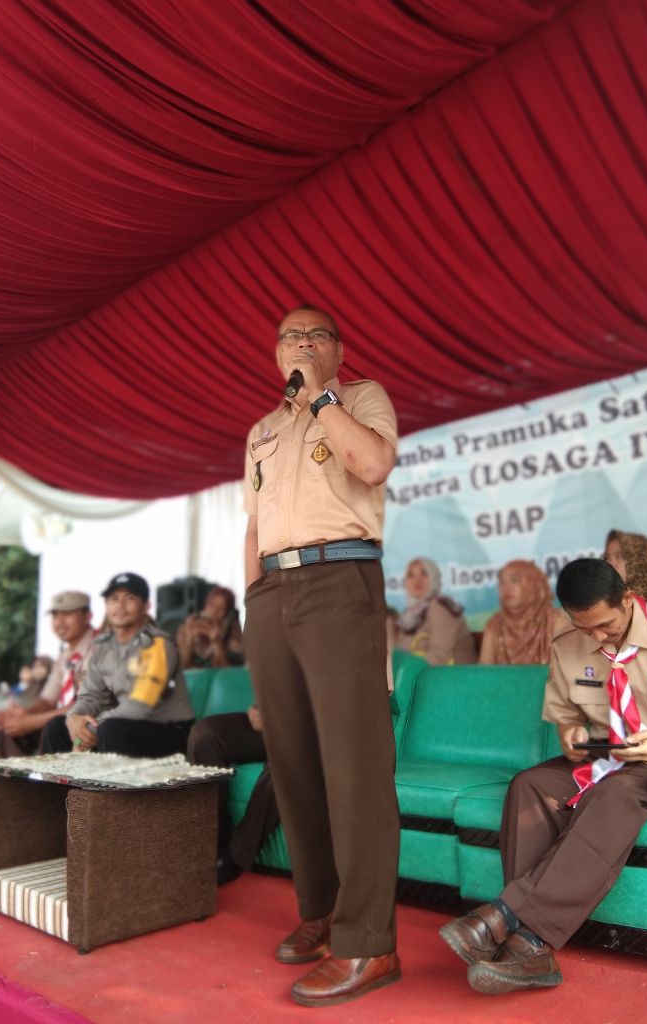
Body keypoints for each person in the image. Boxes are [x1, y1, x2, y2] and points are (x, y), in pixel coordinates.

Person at [439, 558, 647, 994]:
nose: (597, 637)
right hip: (606, 755)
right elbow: (566, 715)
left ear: (626, 599)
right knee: (528, 785)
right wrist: (569, 732)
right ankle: (529, 950)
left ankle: (513, 922)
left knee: (614, 795)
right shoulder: (568, 642)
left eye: (605, 625)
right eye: (585, 627)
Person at [242, 304, 401, 1007]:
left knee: (354, 764)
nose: (300, 345)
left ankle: (369, 944)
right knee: (294, 759)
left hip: (341, 578)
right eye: (290, 339)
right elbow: (252, 522)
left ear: (338, 348)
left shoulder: (361, 398)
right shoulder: (262, 431)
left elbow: (372, 462)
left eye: (315, 337)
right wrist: (252, 598)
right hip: (273, 593)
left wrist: (321, 397)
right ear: (275, 354)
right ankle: (322, 911)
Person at [40, 573, 194, 757]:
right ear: (106, 606)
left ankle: (109, 786)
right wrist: (74, 718)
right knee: (56, 727)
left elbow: (138, 707)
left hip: (168, 733)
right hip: (121, 727)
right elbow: (90, 696)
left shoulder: (157, 645)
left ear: (146, 606)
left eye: (130, 598)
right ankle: (58, 785)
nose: (120, 605)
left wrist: (89, 729)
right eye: (114, 599)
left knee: (109, 729)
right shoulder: (103, 647)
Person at [187, 704, 279, 885]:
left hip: (316, 727)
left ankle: (236, 855)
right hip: (277, 718)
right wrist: (259, 709)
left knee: (289, 755)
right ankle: (213, 839)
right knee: (205, 735)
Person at [0, 591, 95, 757]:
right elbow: (47, 700)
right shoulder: (64, 656)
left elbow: (85, 705)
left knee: (53, 726)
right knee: (10, 730)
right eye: (55, 615)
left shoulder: (101, 648)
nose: (59, 622)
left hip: (91, 726)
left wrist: (30, 721)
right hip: (65, 722)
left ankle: (48, 783)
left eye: (67, 614)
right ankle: (19, 782)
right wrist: (24, 714)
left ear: (87, 616)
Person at [479, 560, 566, 665]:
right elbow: (484, 671)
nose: (506, 588)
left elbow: (569, 672)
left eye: (514, 580)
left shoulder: (555, 621)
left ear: (533, 584)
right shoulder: (495, 624)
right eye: (502, 583)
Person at [394, 557, 476, 664]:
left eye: (424, 573)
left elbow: (439, 657)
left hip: (455, 677)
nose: (417, 580)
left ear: (434, 577)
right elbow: (401, 652)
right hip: (425, 675)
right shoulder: (410, 615)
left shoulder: (440, 607)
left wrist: (404, 670)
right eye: (411, 575)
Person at [176, 585, 245, 669]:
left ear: (228, 615)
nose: (214, 611)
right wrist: (187, 643)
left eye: (221, 609)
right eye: (212, 605)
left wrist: (217, 642)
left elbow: (226, 674)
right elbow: (184, 668)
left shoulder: (233, 641)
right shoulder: (189, 629)